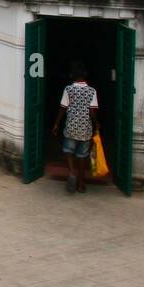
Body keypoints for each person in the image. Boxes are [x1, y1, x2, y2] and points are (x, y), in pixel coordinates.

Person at [52, 61, 99, 194]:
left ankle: (72, 171)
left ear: (72, 75)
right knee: (82, 156)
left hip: (71, 126)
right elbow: (92, 111)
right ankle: (80, 183)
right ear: (86, 75)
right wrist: (97, 124)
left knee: (68, 151)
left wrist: (56, 124)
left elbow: (63, 108)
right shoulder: (92, 91)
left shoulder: (68, 89)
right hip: (85, 128)